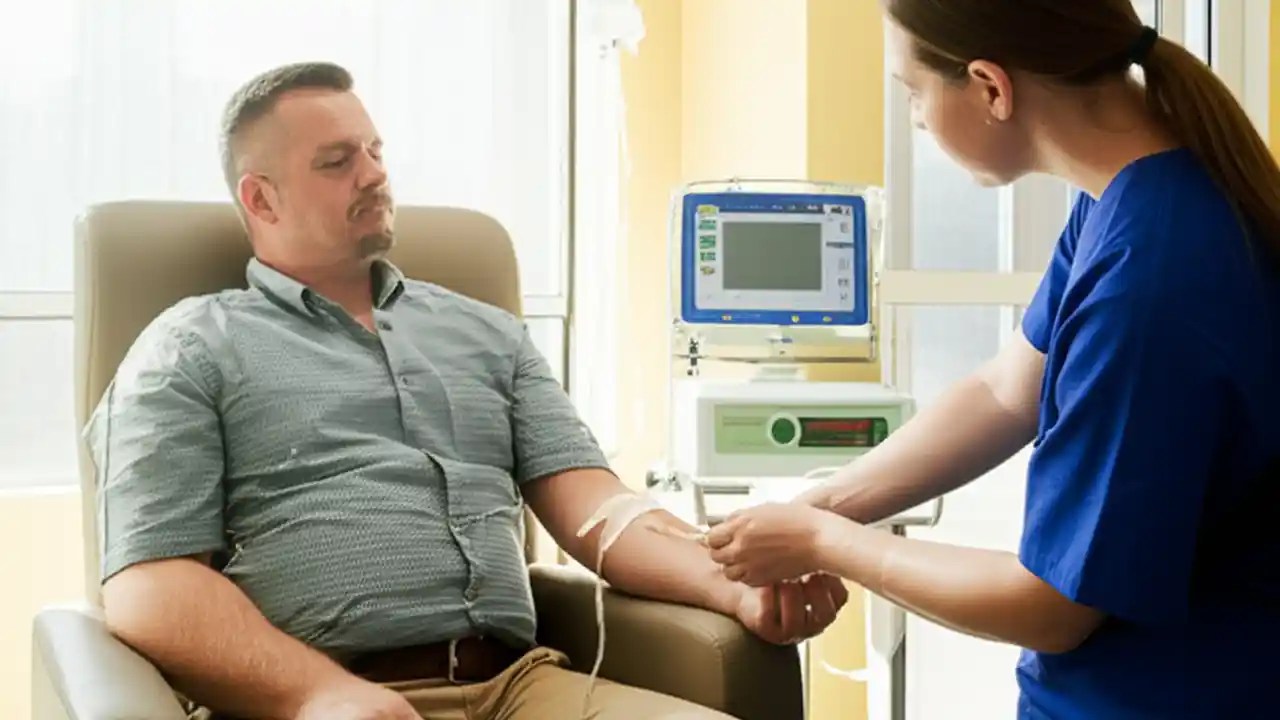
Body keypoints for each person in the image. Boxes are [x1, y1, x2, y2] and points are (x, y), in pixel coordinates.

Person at [87, 61, 848, 720]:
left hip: (517, 687)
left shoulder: (487, 334)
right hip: (323, 697)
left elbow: (600, 511)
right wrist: (311, 693)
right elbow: (151, 582)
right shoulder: (188, 347)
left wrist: (735, 589)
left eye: (376, 151)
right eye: (337, 161)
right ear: (261, 198)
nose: (376, 174)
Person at [705, 1, 1280, 718]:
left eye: (913, 91)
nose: (915, 118)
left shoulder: (1152, 279)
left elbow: (1052, 608)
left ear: (991, 88)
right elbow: (1006, 391)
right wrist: (815, 508)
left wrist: (828, 541)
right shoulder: (1131, 199)